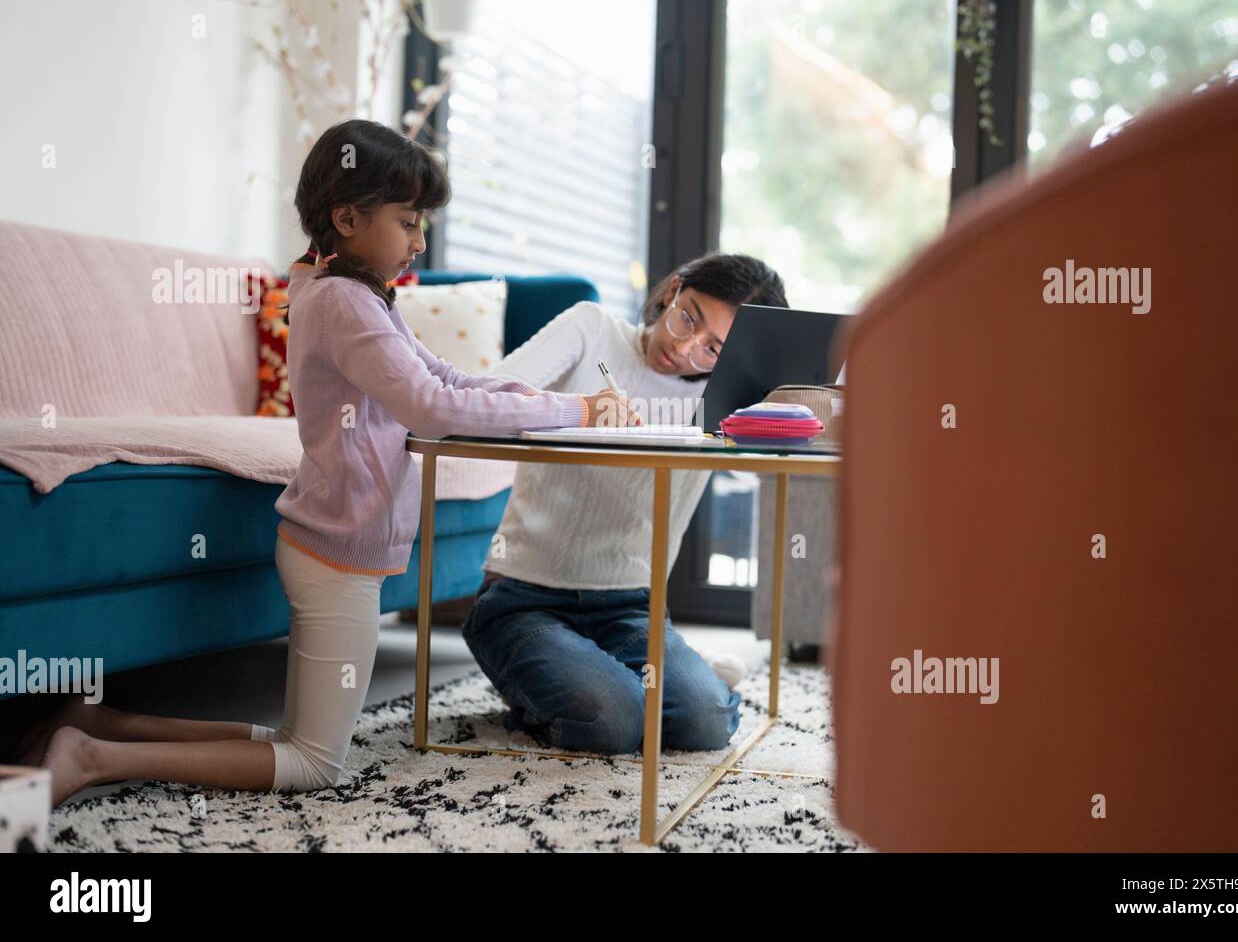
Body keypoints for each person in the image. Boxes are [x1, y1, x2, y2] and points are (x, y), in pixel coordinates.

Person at [23, 118, 634, 806]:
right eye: (408, 221)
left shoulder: (348, 291)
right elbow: (432, 406)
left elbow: (452, 380)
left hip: (333, 545)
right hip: (337, 555)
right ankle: (92, 759)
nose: (420, 239)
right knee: (316, 762)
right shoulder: (348, 302)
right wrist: (576, 413)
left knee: (300, 739)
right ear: (347, 217)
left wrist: (565, 401)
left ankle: (99, 724)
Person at [462, 252, 789, 754]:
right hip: (524, 597)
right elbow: (483, 401)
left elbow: (757, 469)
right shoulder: (590, 329)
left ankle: (653, 673)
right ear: (672, 290)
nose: (683, 347)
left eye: (712, 349)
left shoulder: (722, 397)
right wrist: (579, 411)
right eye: (687, 317)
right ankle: (565, 676)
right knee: (613, 722)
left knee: (704, 723)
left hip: (631, 605)